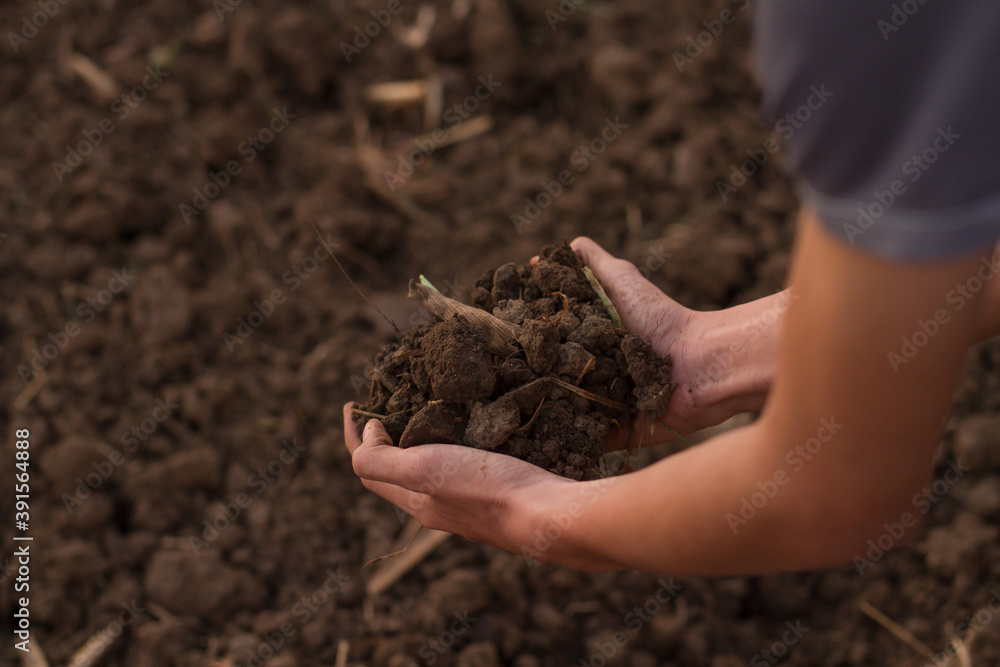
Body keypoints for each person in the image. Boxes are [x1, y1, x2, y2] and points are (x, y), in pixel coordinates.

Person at [343, 1, 1000, 574]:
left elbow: (835, 493)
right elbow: (959, 246)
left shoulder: (869, 27)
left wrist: (535, 509)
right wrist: (703, 357)